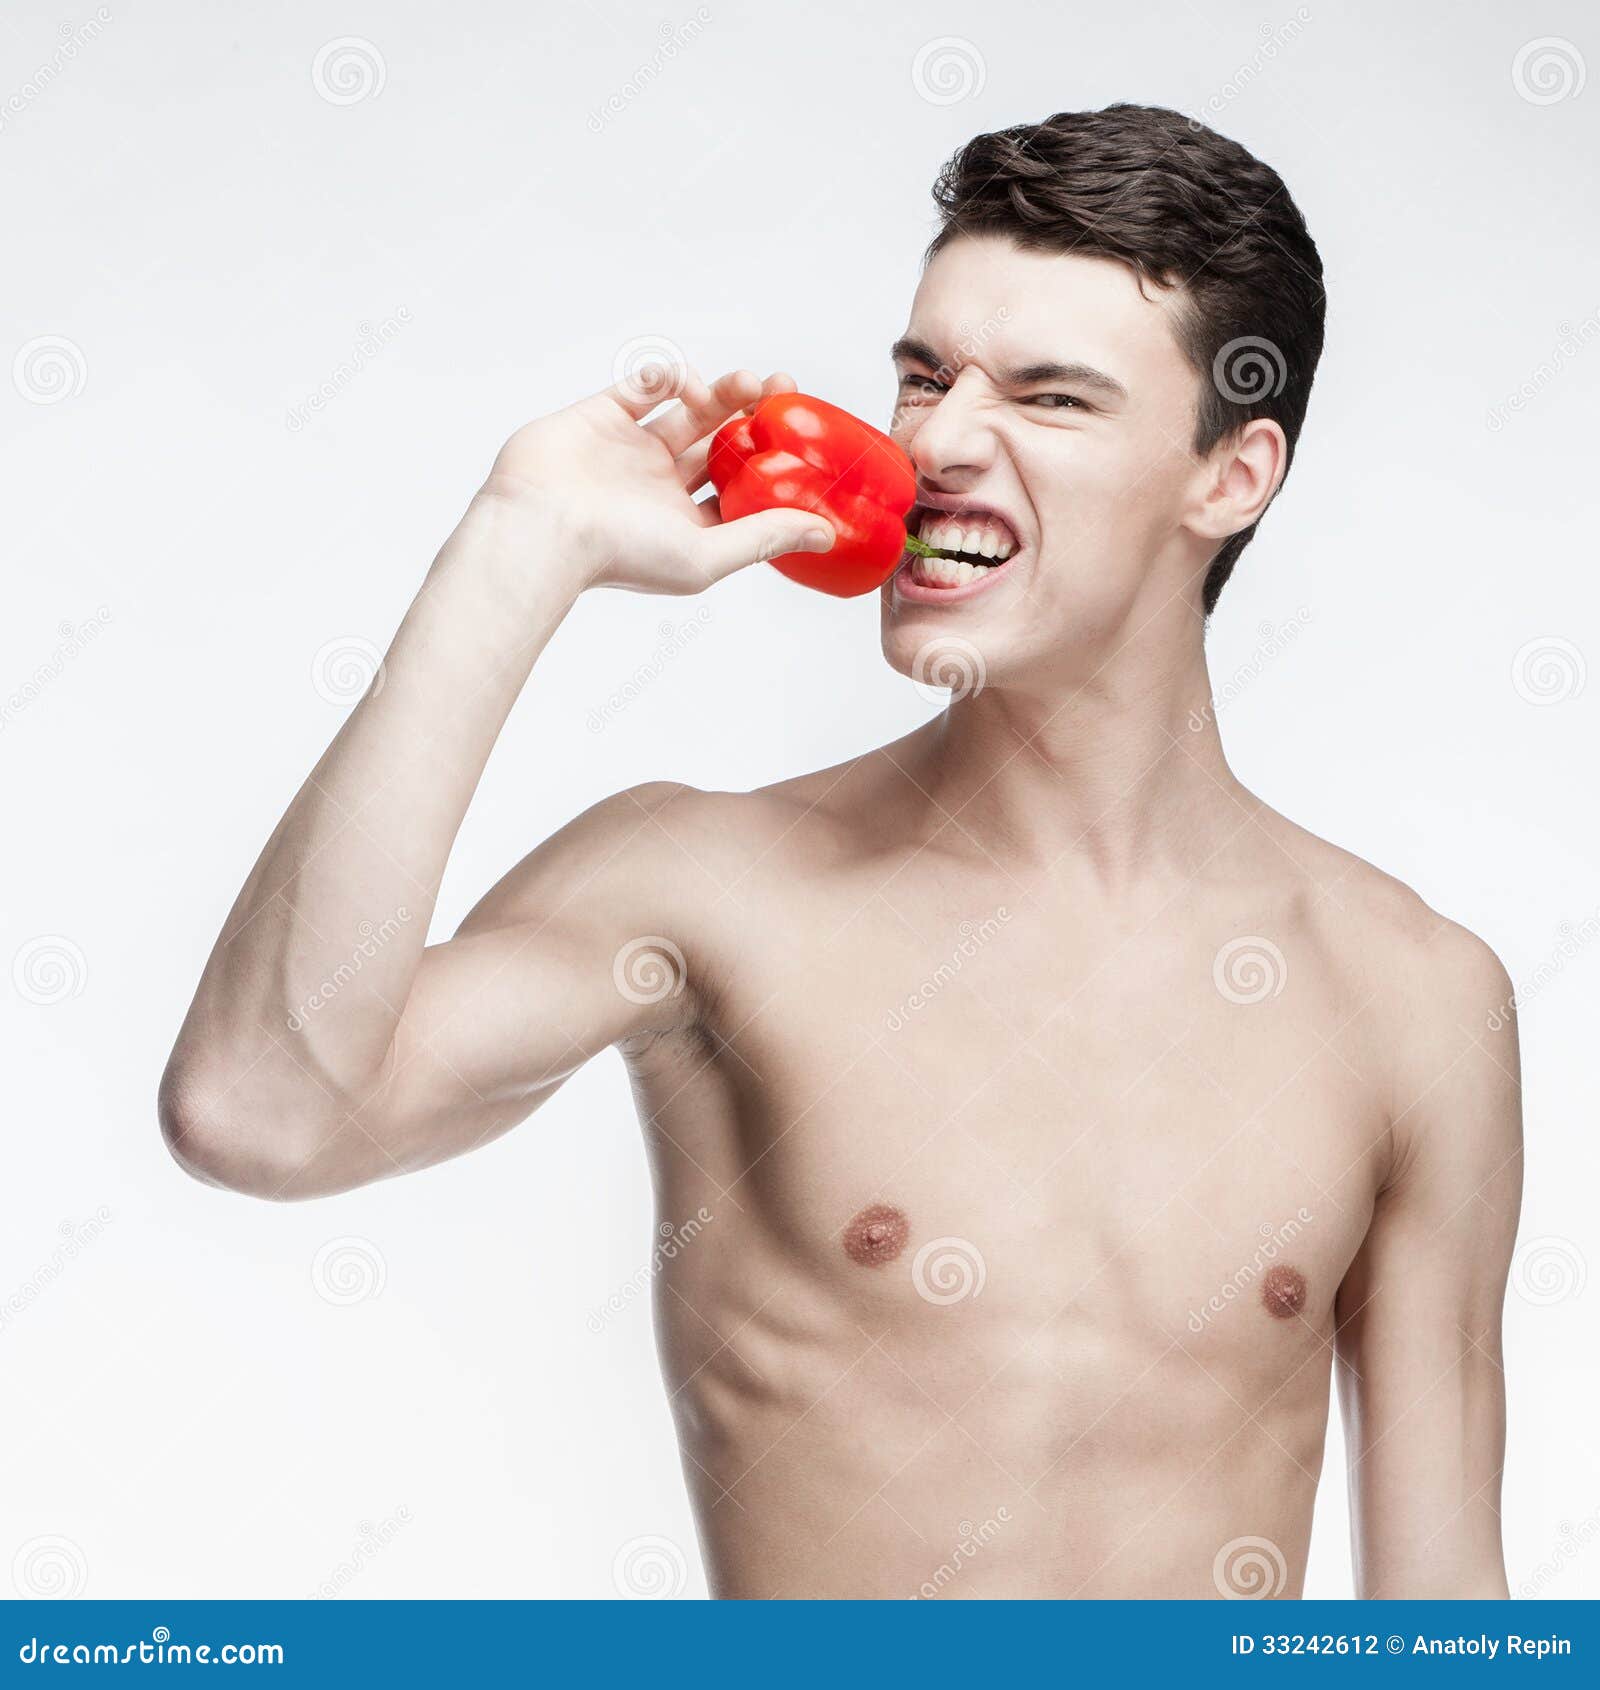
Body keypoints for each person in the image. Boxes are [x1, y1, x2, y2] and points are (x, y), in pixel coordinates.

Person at [159, 104, 1522, 1599]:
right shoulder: (702, 890)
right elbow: (260, 1113)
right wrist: (520, 544)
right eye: (923, 377)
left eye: (1051, 398)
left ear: (1232, 475)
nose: (931, 443)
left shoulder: (1413, 996)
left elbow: (1445, 1623)